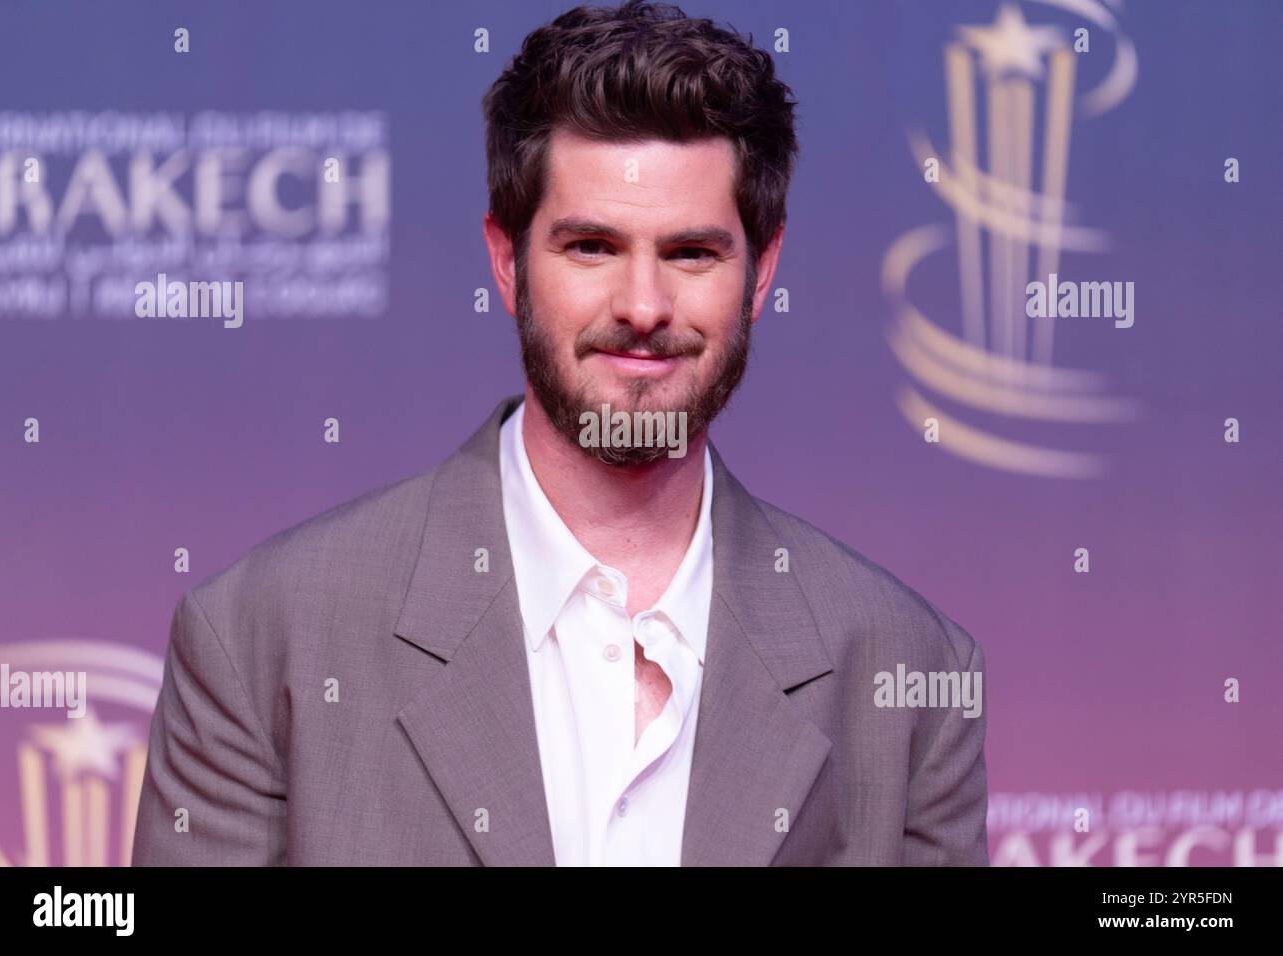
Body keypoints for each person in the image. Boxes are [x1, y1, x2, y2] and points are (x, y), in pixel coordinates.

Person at [133, 0, 987, 867]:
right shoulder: (262, 637)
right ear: (507, 263)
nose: (643, 307)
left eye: (692, 253)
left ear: (760, 273)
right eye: (590, 247)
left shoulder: (909, 671)